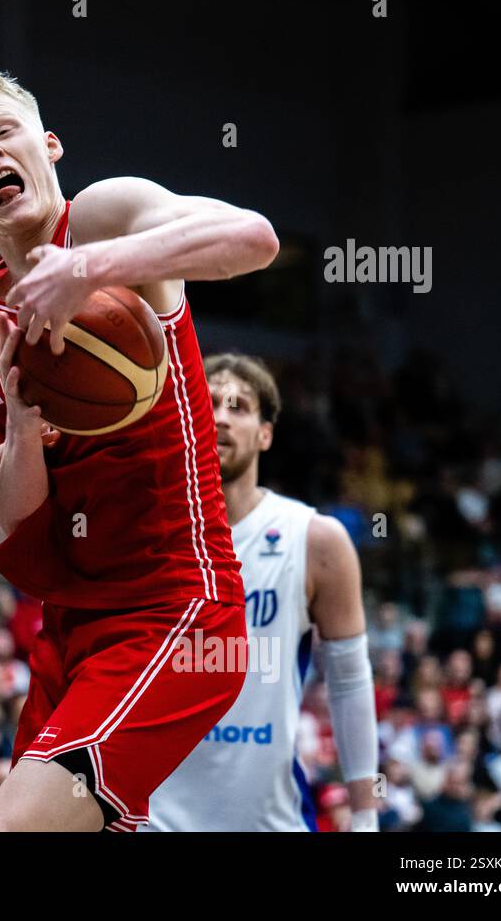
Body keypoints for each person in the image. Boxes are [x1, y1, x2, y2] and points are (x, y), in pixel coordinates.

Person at [0, 71, 278, 831]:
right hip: (67, 635)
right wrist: (21, 427)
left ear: (47, 145)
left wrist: (91, 267)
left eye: (3, 132)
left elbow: (255, 238)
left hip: (175, 610)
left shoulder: (106, 217)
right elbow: (12, 516)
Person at [147, 353, 379, 830]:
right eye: (208, 402)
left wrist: (366, 818)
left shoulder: (315, 539)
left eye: (239, 406)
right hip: (153, 818)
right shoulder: (142, 534)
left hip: (269, 818)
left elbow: (350, 683)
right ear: (186, 418)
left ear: (265, 433)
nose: (221, 417)